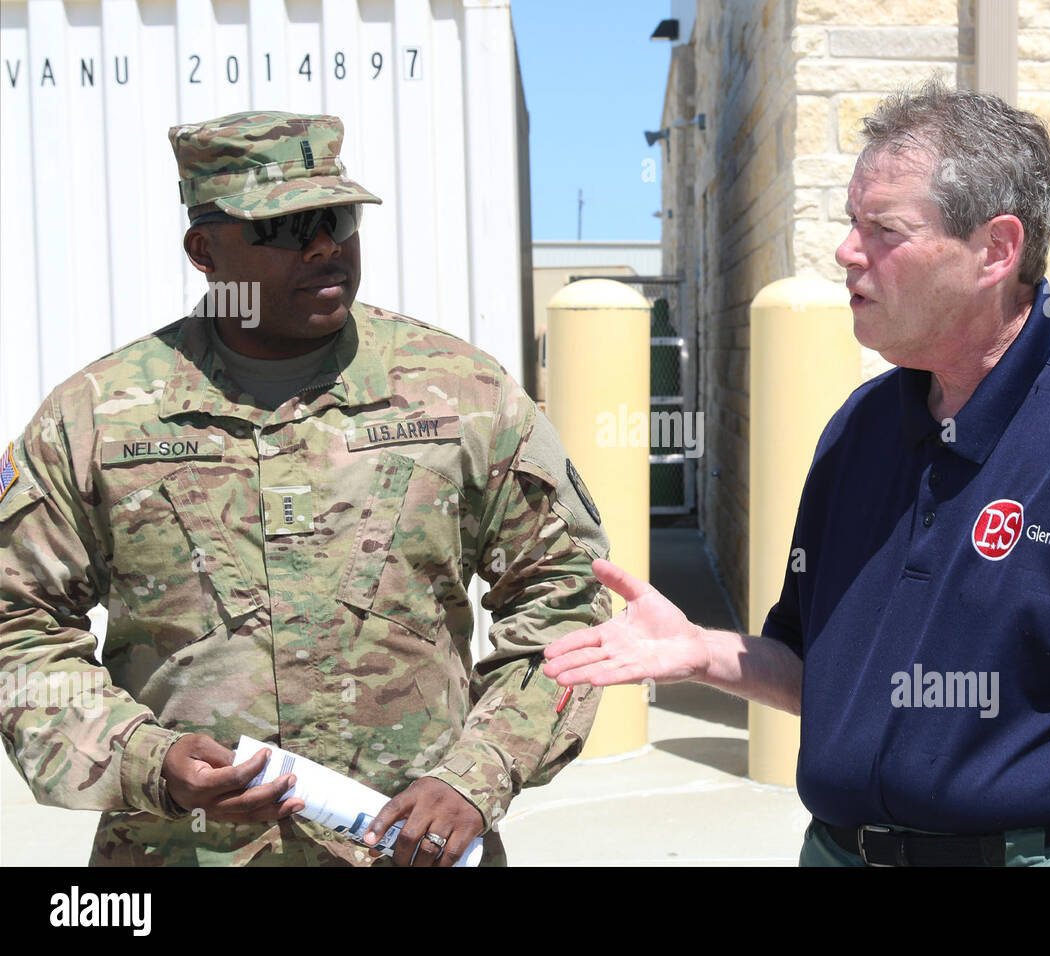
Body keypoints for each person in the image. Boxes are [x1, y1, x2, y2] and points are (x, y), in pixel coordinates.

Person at [543, 81, 1050, 867]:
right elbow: (816, 674)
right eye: (851, 223)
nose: (847, 251)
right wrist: (702, 651)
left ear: (995, 251)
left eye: (885, 230)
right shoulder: (860, 430)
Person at [0, 110, 611, 867]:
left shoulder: (462, 394)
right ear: (203, 251)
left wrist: (479, 772)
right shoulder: (97, 415)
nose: (323, 245)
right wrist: (144, 760)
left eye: (338, 219)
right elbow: (18, 628)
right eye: (284, 228)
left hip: (409, 853)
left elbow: (567, 597)